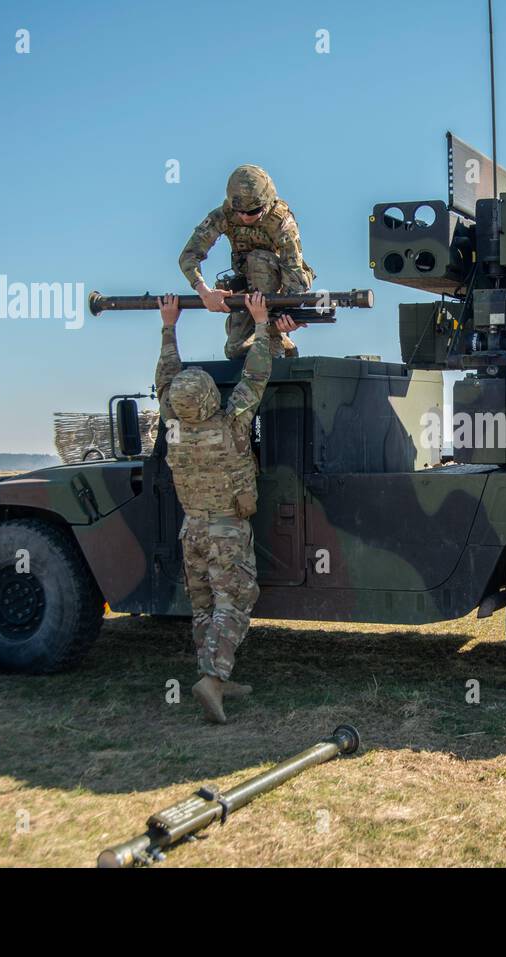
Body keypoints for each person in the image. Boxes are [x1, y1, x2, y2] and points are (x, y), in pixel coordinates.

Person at [154, 292, 272, 723]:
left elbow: (166, 381)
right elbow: (256, 376)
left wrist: (170, 326)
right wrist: (261, 325)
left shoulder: (173, 428)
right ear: (208, 398)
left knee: (204, 606)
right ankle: (213, 678)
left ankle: (217, 674)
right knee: (235, 603)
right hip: (225, 531)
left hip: (193, 532)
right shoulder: (231, 425)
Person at [179, 164, 313, 360]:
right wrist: (204, 292)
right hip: (247, 287)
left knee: (257, 259)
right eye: (239, 211)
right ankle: (273, 333)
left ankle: (275, 336)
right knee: (235, 349)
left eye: (252, 212)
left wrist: (289, 311)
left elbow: (294, 270)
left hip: (280, 287)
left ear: (266, 204)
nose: (244, 217)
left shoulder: (281, 221)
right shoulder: (224, 215)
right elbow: (188, 256)